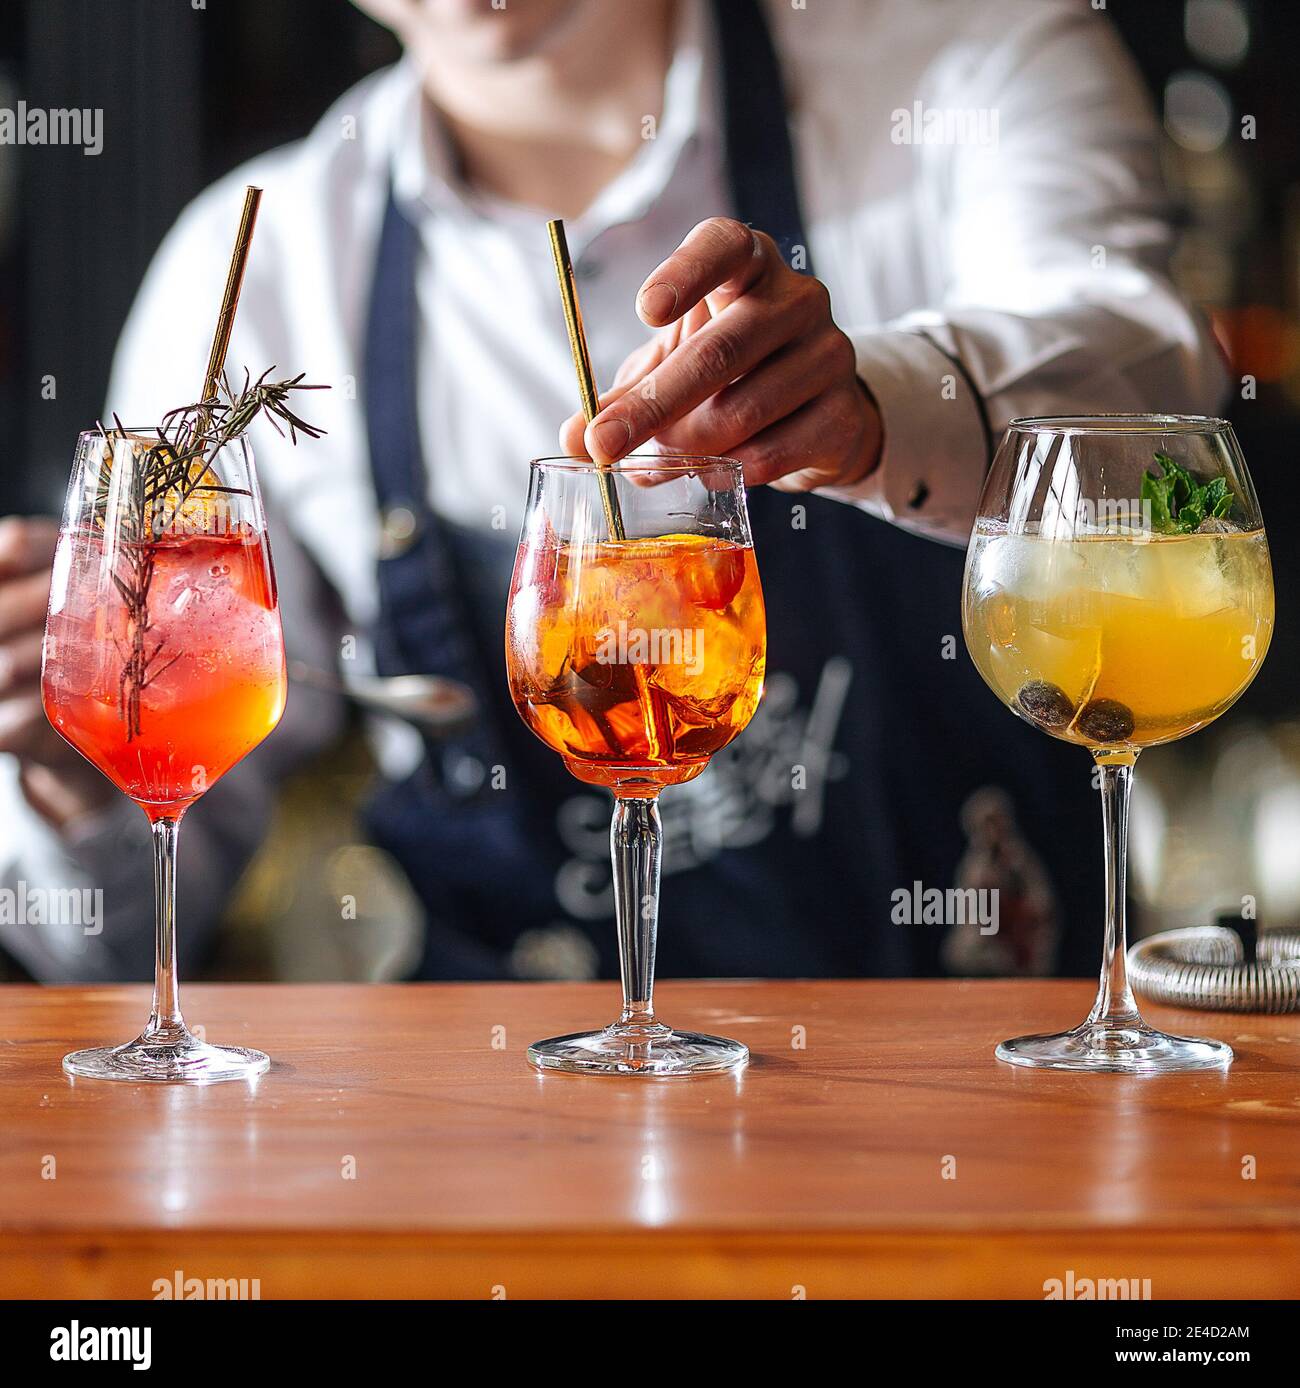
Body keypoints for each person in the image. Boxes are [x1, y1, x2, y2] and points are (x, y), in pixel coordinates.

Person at [0, 0, 1225, 981]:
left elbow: (1158, 391)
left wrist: (877, 408)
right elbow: (91, 940)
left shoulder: (970, 57)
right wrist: (66, 770)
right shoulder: (260, 269)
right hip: (503, 1153)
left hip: (967, 1111)